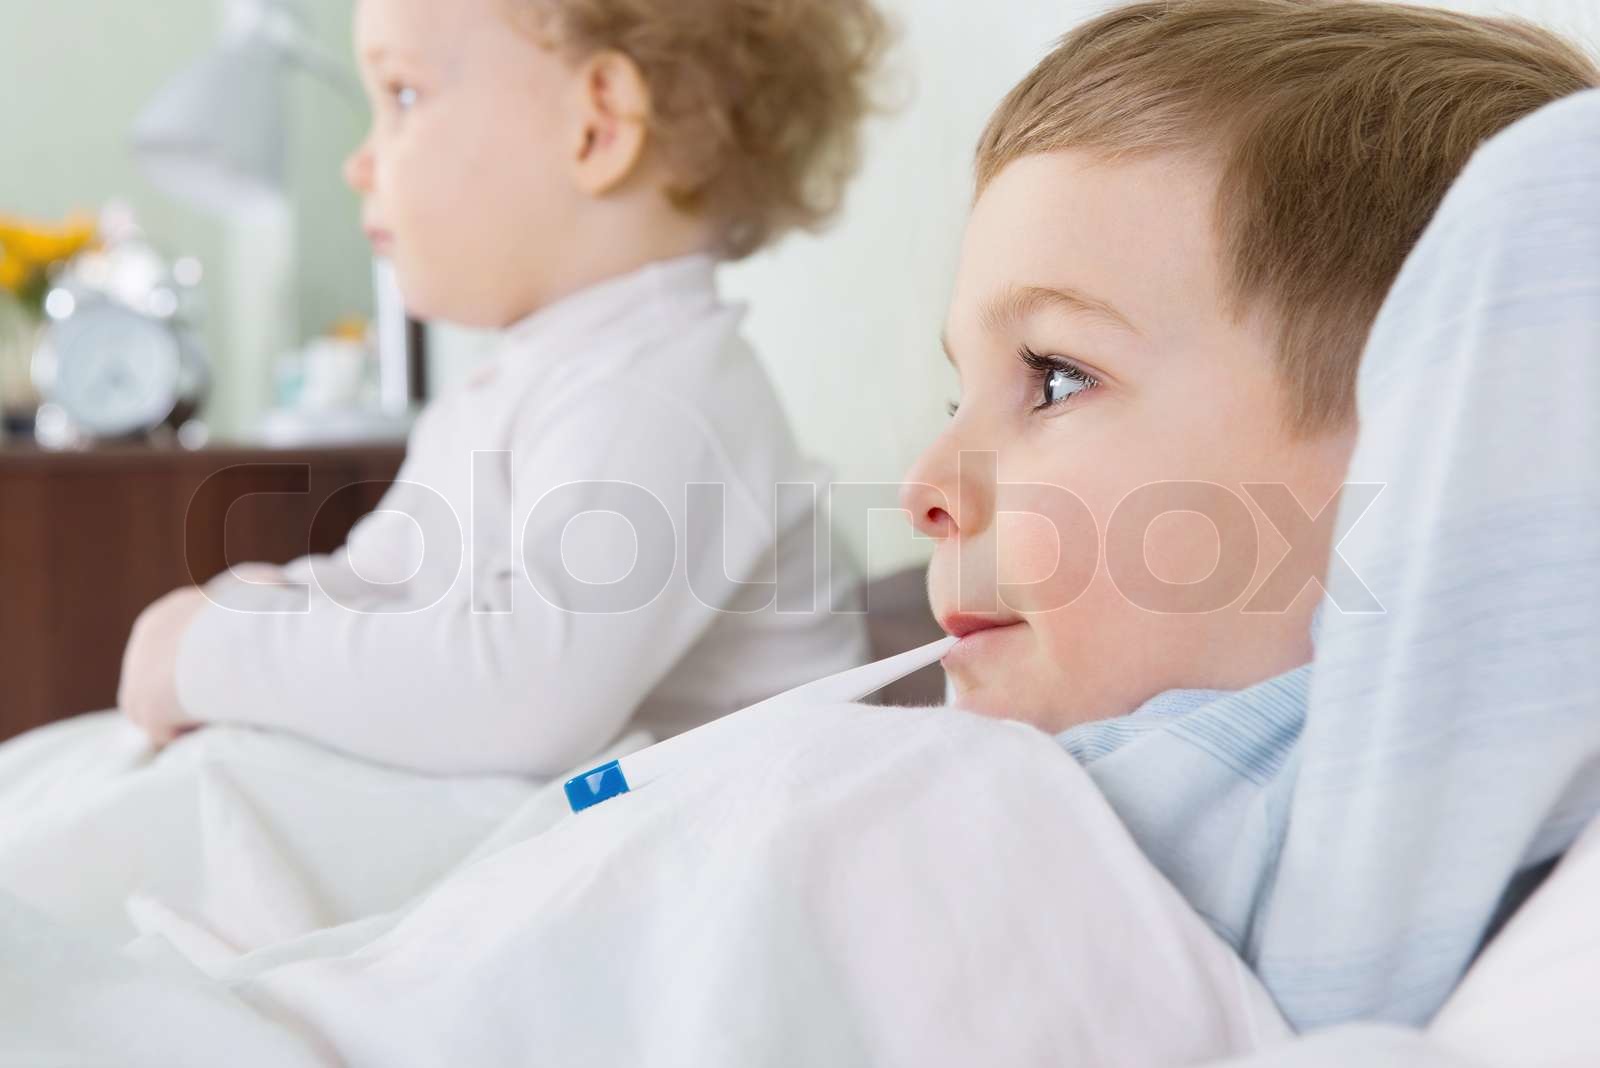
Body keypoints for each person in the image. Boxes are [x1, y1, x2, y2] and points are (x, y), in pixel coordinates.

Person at [113, 0, 886, 776]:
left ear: (598, 127)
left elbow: (520, 695)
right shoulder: (512, 384)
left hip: (714, 845)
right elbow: (384, 579)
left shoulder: (663, 396)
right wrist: (257, 598)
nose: (359, 164)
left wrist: (223, 652)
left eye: (403, 96)